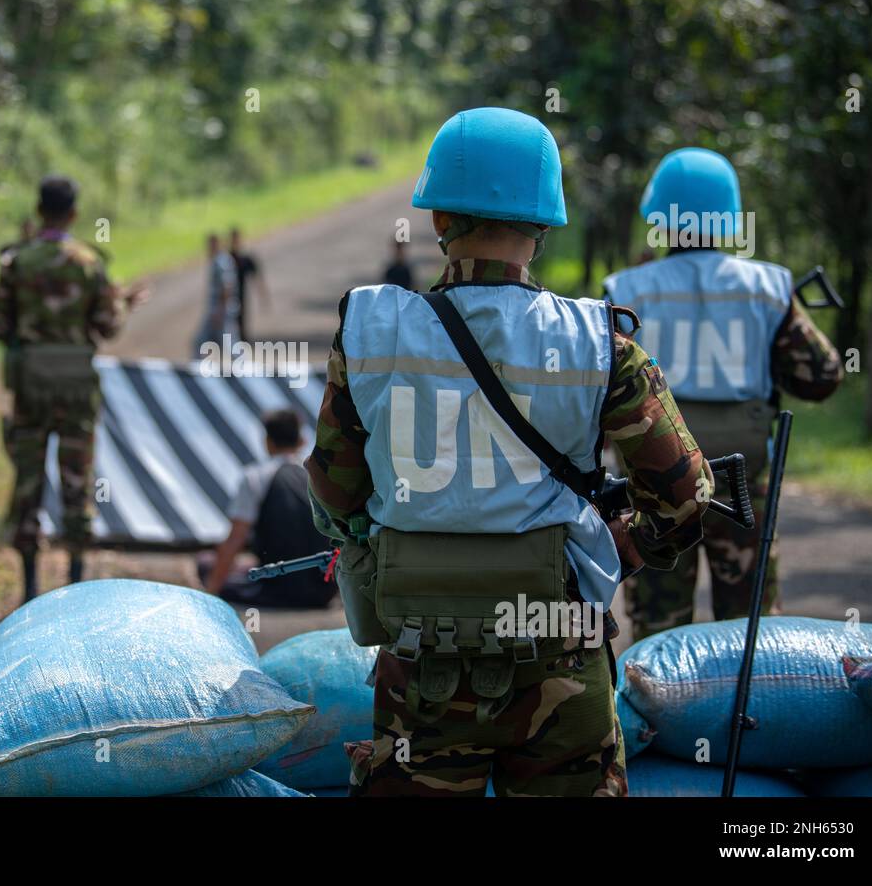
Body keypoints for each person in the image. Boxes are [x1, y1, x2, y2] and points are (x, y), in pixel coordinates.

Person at [304, 107, 713, 797]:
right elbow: (685, 500)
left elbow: (334, 492)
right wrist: (628, 548)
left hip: (421, 670)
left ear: (438, 219)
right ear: (544, 224)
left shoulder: (371, 329)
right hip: (561, 664)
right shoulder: (598, 343)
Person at [603, 147, 844, 641]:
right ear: (730, 217)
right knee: (750, 633)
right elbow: (822, 376)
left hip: (656, 484)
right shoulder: (767, 287)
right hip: (743, 482)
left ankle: (658, 719)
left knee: (658, 632)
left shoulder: (627, 287)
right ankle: (752, 714)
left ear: (659, 219)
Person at [0, 176, 143, 600]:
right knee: (76, 482)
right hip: (77, 388)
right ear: (74, 213)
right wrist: (123, 304)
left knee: (28, 481)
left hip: (31, 385)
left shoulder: (16, 262)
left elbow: (2, 327)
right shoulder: (88, 263)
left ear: (37, 210)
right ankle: (76, 589)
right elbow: (106, 328)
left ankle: (29, 589)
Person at [198, 409, 336, 609]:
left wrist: (210, 592)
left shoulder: (256, 477)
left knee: (205, 563)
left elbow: (236, 539)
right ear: (302, 441)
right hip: (324, 591)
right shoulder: (317, 476)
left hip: (277, 591)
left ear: (268, 441)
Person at [194, 232, 238, 356]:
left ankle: (243, 367)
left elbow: (227, 287)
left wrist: (220, 310)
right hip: (219, 309)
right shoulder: (220, 260)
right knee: (203, 341)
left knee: (228, 343)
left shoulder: (221, 262)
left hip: (220, 310)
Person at [228, 227, 268, 341]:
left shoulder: (245, 259)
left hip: (241, 294)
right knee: (229, 322)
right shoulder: (226, 259)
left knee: (241, 319)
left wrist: (262, 295)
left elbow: (257, 277)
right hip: (228, 296)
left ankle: (241, 340)